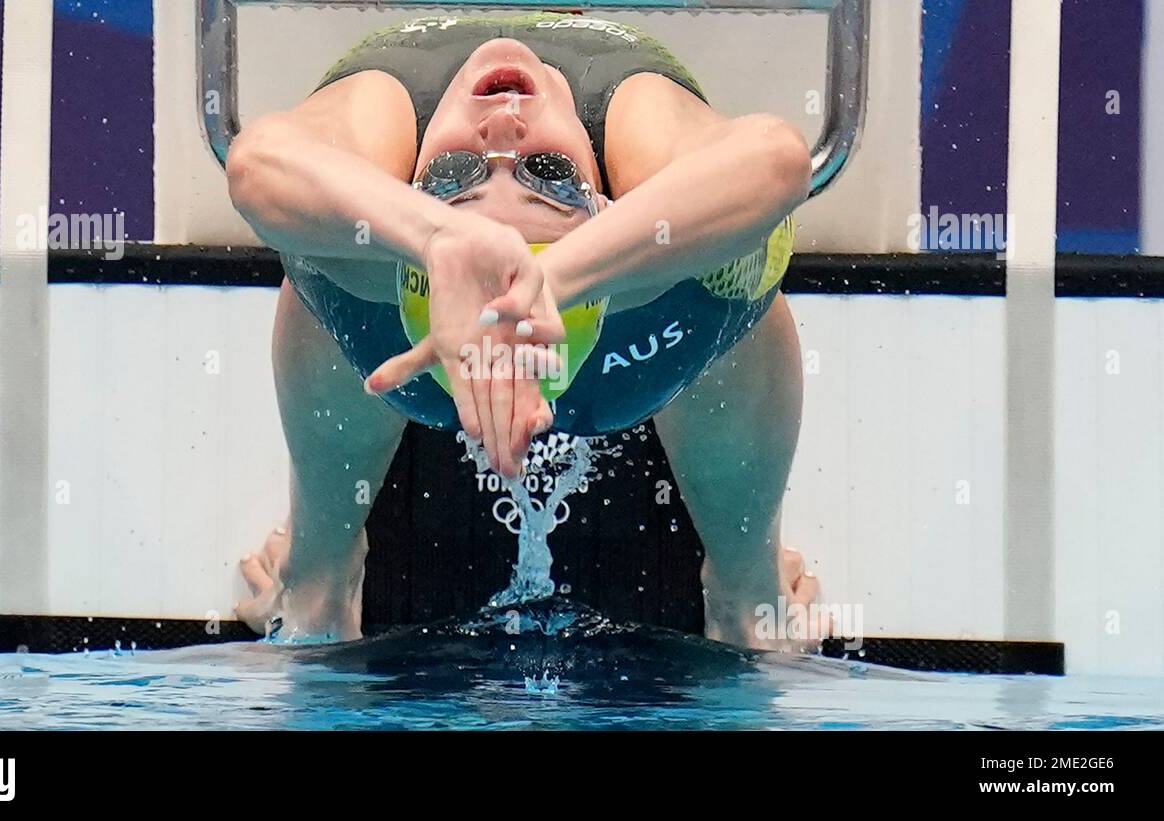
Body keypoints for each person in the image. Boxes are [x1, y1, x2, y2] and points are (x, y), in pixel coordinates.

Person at [225, 11, 821, 648]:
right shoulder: (630, 119)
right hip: (587, 319)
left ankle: (744, 588)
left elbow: (259, 163)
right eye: (551, 173)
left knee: (339, 253)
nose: (504, 125)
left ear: (610, 211)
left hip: (463, 326)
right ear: (602, 192)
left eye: (455, 172)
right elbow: (777, 161)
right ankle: (321, 578)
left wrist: (542, 274)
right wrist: (441, 240)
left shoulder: (392, 108)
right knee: (724, 265)